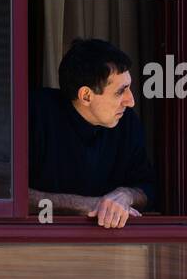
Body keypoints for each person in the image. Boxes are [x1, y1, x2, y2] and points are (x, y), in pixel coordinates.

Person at [28, 38, 158, 228]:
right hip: (34, 246)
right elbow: (6, 195)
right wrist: (86, 205)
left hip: (107, 247)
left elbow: (149, 187)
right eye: (120, 91)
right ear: (86, 96)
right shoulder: (34, 115)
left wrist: (127, 194)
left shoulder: (126, 120)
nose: (131, 101)